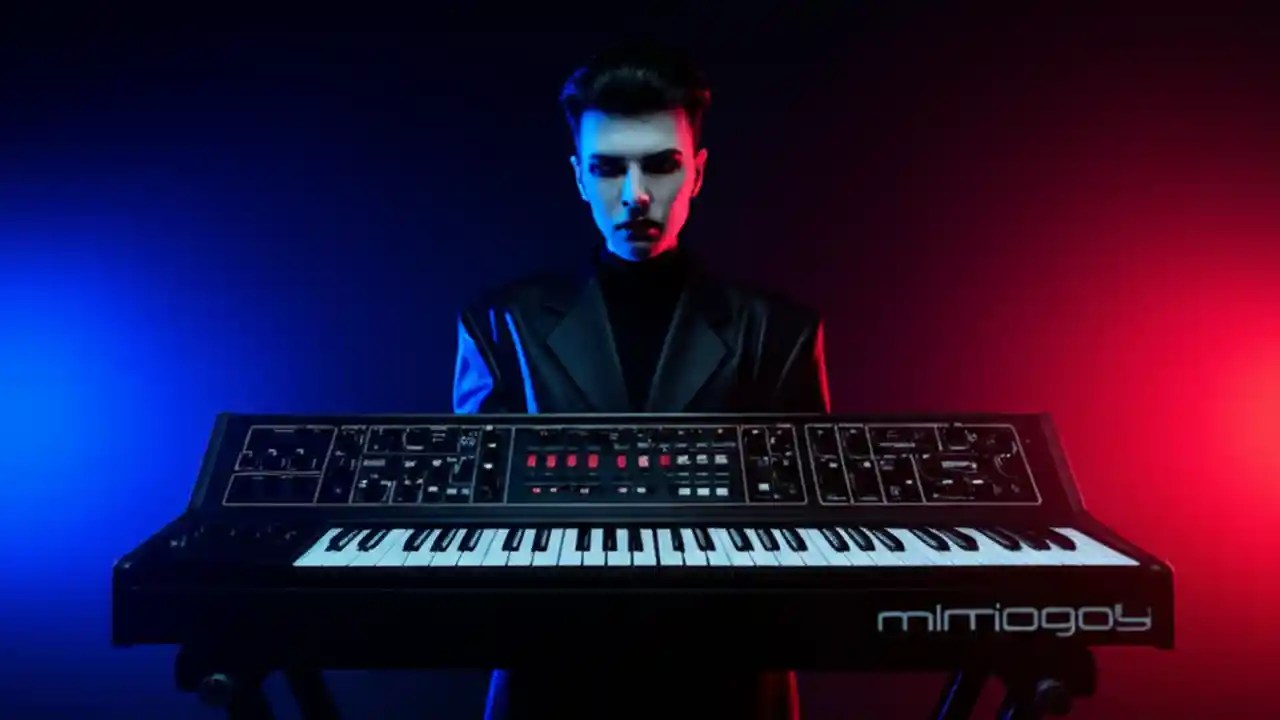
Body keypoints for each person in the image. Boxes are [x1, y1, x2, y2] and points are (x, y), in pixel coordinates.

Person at [452, 40, 829, 720]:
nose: (635, 196)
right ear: (576, 177)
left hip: (727, 680)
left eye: (661, 165)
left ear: (699, 172)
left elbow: (808, 530)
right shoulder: (499, 323)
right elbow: (472, 519)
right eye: (607, 170)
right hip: (552, 676)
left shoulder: (778, 329)